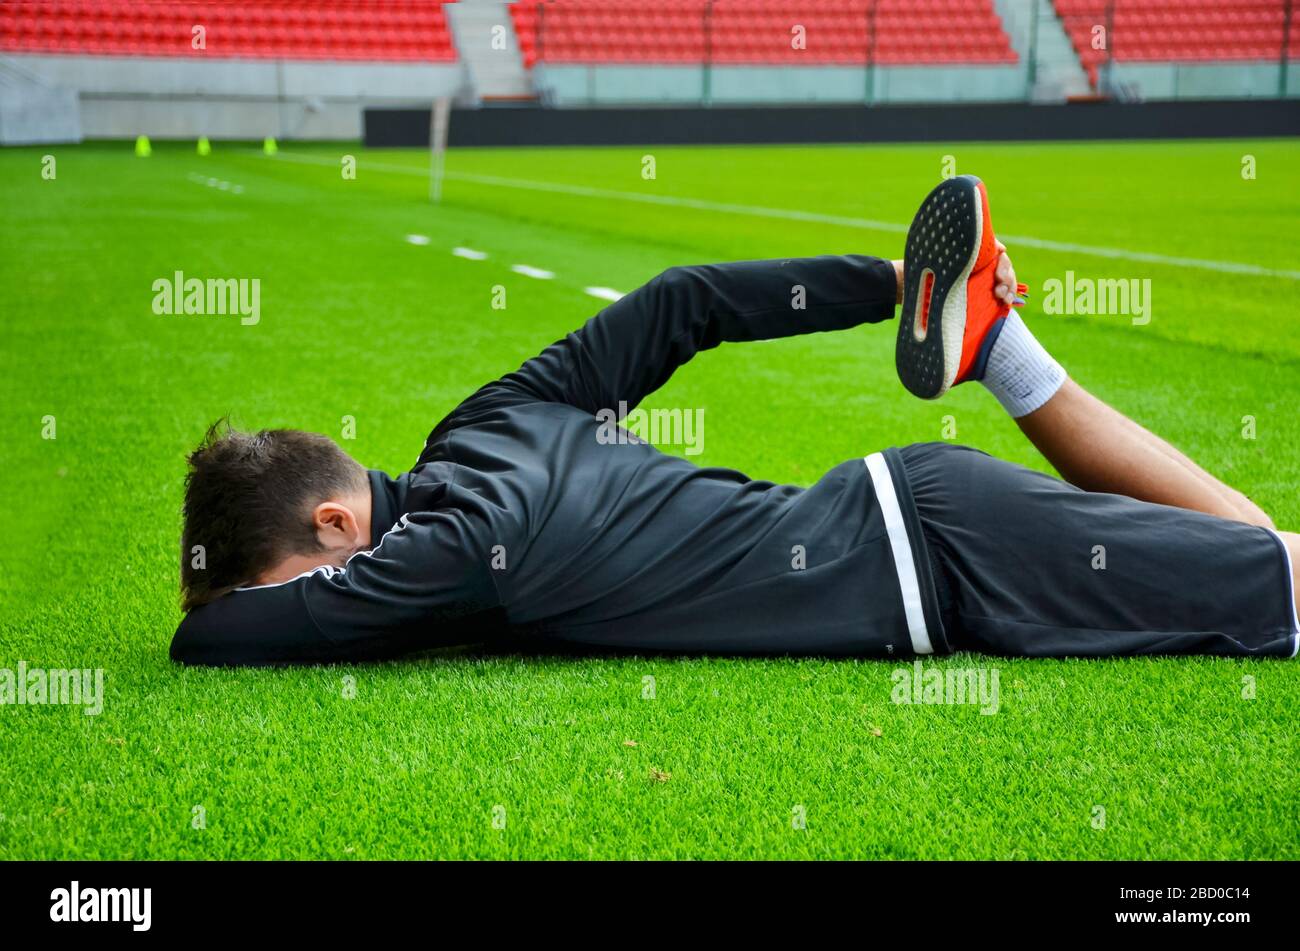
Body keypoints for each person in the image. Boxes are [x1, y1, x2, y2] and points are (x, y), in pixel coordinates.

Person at [170, 175, 1299, 666]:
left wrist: (235, 603)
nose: (313, 602)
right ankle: (991, 341)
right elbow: (683, 304)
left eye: (289, 579)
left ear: (334, 525)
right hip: (933, 525)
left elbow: (209, 640)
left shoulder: (452, 551)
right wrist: (887, 284)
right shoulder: (480, 427)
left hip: (950, 557)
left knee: (1279, 580)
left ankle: (985, 334)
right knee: (1250, 557)